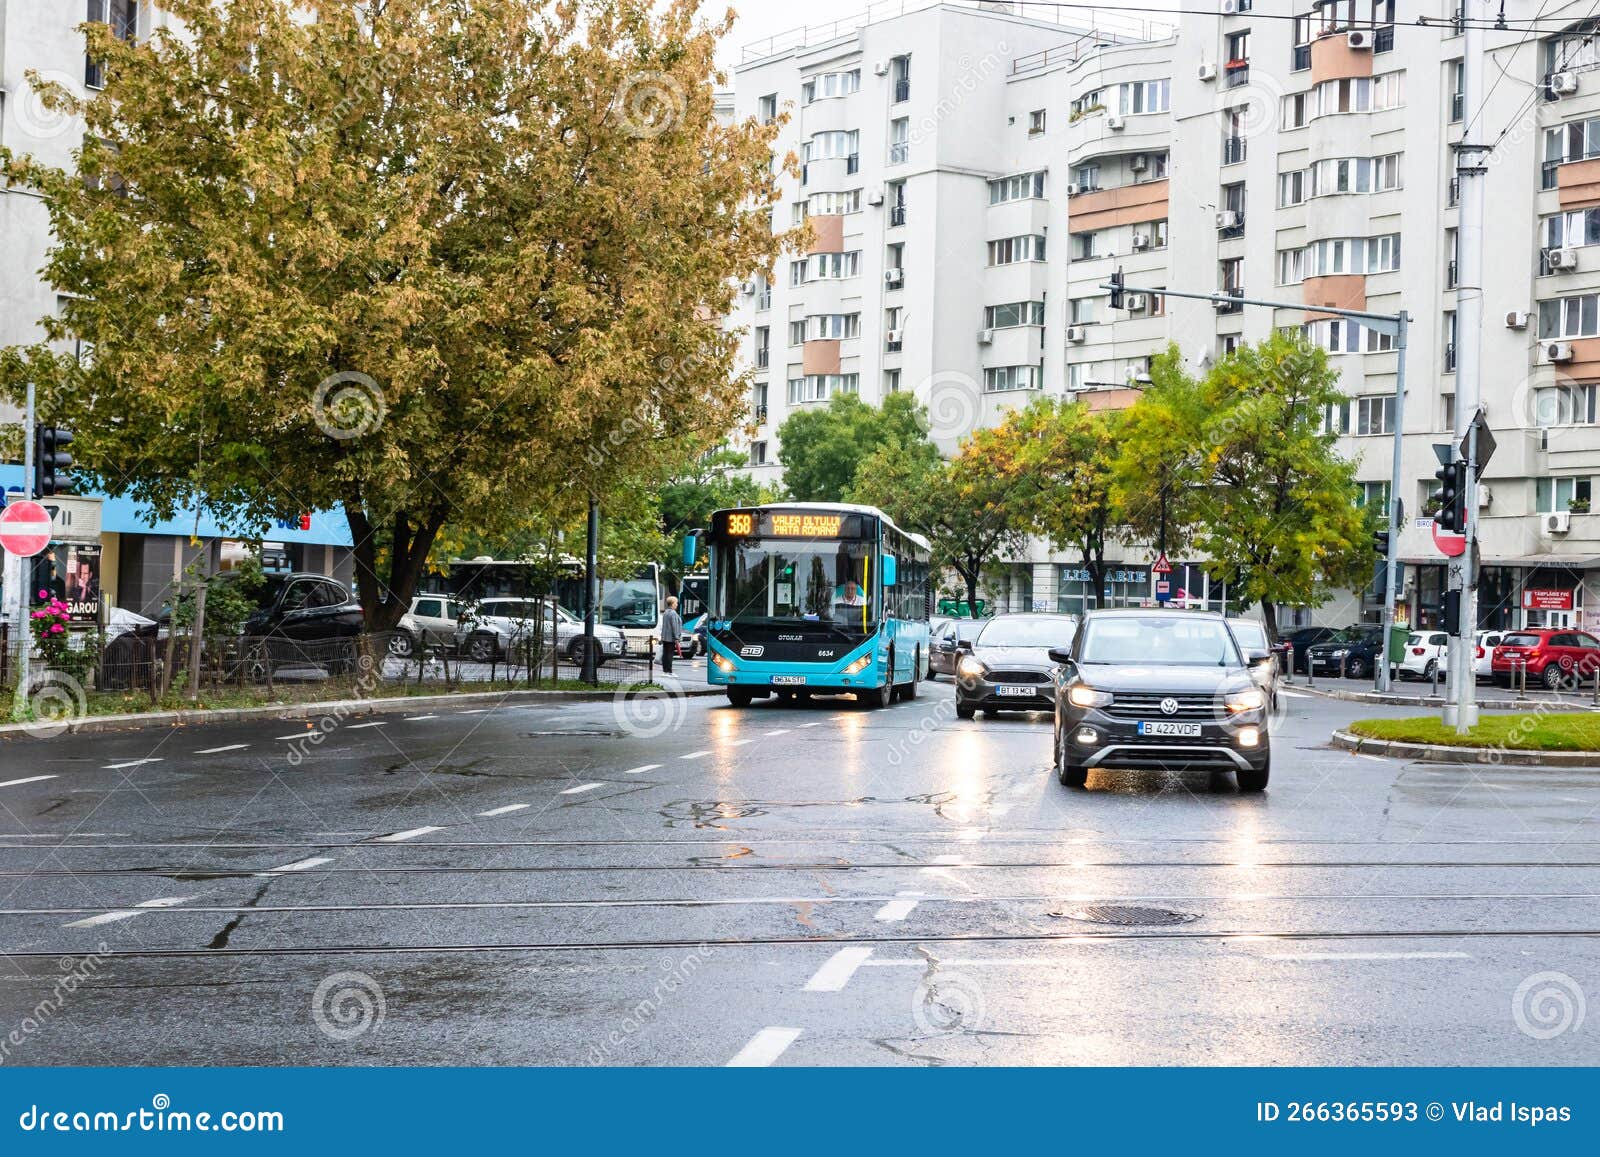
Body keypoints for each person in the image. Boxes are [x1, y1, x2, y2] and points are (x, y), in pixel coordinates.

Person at [658, 595, 683, 676]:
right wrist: (677, 637)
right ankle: (669, 671)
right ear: (672, 603)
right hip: (671, 638)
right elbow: (674, 626)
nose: (677, 604)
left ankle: (665, 671)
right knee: (669, 654)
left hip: (665, 637)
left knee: (665, 654)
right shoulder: (673, 613)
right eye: (676, 603)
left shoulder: (665, 612)